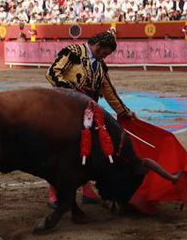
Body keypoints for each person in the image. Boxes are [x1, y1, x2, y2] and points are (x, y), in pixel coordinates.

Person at [44, 30, 135, 207]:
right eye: (104, 53)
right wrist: (72, 93)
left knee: (88, 149)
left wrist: (124, 111)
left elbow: (108, 90)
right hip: (64, 110)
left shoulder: (100, 65)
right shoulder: (73, 52)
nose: (105, 57)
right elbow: (52, 73)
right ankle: (53, 194)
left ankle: (87, 191)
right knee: (61, 150)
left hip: (87, 113)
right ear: (98, 46)